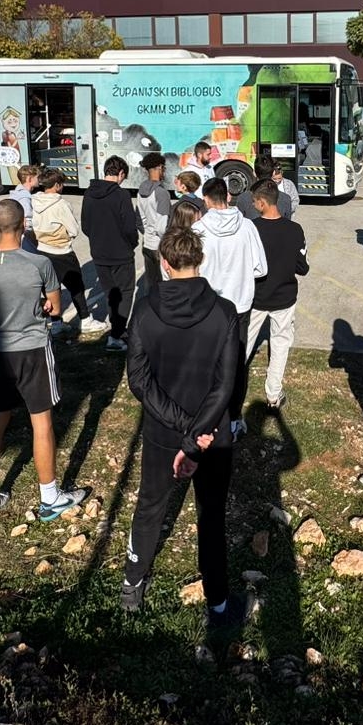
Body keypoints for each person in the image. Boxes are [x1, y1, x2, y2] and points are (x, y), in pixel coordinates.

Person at [120, 227, 243, 625]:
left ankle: (133, 584)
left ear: (164, 263)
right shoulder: (224, 311)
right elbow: (226, 382)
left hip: (162, 431)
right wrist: (196, 436)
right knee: (210, 515)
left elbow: (139, 380)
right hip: (212, 434)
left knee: (151, 505)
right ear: (200, 261)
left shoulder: (144, 308)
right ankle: (218, 603)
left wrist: (181, 429)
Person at [0, 198, 87, 524]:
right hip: (31, 349)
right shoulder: (39, 264)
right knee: (41, 422)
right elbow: (56, 308)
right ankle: (49, 497)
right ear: (23, 226)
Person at [248, 181, 307, 413]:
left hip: (256, 297)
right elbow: (303, 267)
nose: (252, 205)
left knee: (244, 342)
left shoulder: (250, 228)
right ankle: (273, 394)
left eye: (254, 201)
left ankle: (231, 384)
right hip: (284, 296)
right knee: (281, 344)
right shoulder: (295, 230)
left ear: (262, 203)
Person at [192, 177, 268, 353]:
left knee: (210, 355)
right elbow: (261, 268)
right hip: (240, 302)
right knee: (237, 355)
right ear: (227, 196)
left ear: (205, 199)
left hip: (208, 304)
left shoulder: (197, 230)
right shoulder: (247, 226)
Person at [81, 155, 140, 352]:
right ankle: (115, 336)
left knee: (110, 294)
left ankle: (117, 329)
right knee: (125, 294)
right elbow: (130, 227)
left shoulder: (89, 193)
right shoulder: (121, 195)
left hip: (99, 254)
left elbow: (86, 226)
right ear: (121, 173)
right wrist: (132, 243)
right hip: (121, 254)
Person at [30, 167, 97, 337]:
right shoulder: (60, 204)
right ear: (57, 185)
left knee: (51, 288)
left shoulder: (35, 200)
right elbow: (73, 229)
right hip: (62, 250)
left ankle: (56, 322)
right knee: (76, 286)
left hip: (42, 249)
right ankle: (85, 319)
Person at [136, 152, 173, 294]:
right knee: (163, 285)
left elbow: (140, 219)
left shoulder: (141, 190)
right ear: (159, 167)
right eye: (163, 168)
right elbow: (162, 225)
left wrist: (148, 233)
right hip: (159, 246)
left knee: (150, 284)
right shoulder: (161, 193)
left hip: (147, 244)